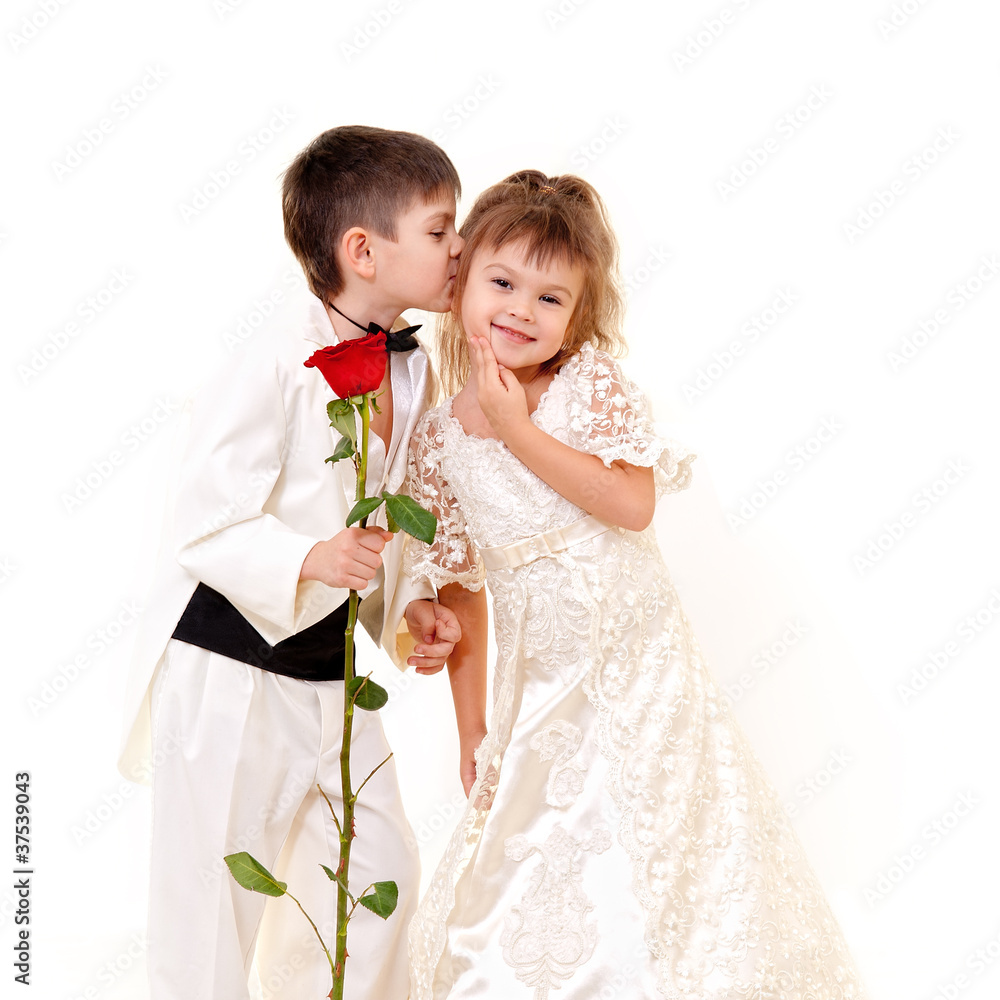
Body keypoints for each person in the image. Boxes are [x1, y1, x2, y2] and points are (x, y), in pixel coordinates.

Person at [402, 170, 870, 999]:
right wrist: (471, 725)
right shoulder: (439, 435)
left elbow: (630, 502)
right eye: (502, 283)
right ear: (461, 277)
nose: (520, 310)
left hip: (636, 661)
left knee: (654, 827)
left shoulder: (588, 386)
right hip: (537, 684)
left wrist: (517, 428)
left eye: (550, 299)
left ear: (579, 316)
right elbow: (463, 582)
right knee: (532, 841)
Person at [117, 125, 477, 1000]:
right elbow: (203, 523)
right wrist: (311, 556)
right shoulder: (272, 358)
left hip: (332, 681)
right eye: (438, 230)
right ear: (363, 251)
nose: (460, 246)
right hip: (229, 674)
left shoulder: (414, 368)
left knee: (380, 883)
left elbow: (381, 522)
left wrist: (406, 612)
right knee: (207, 920)